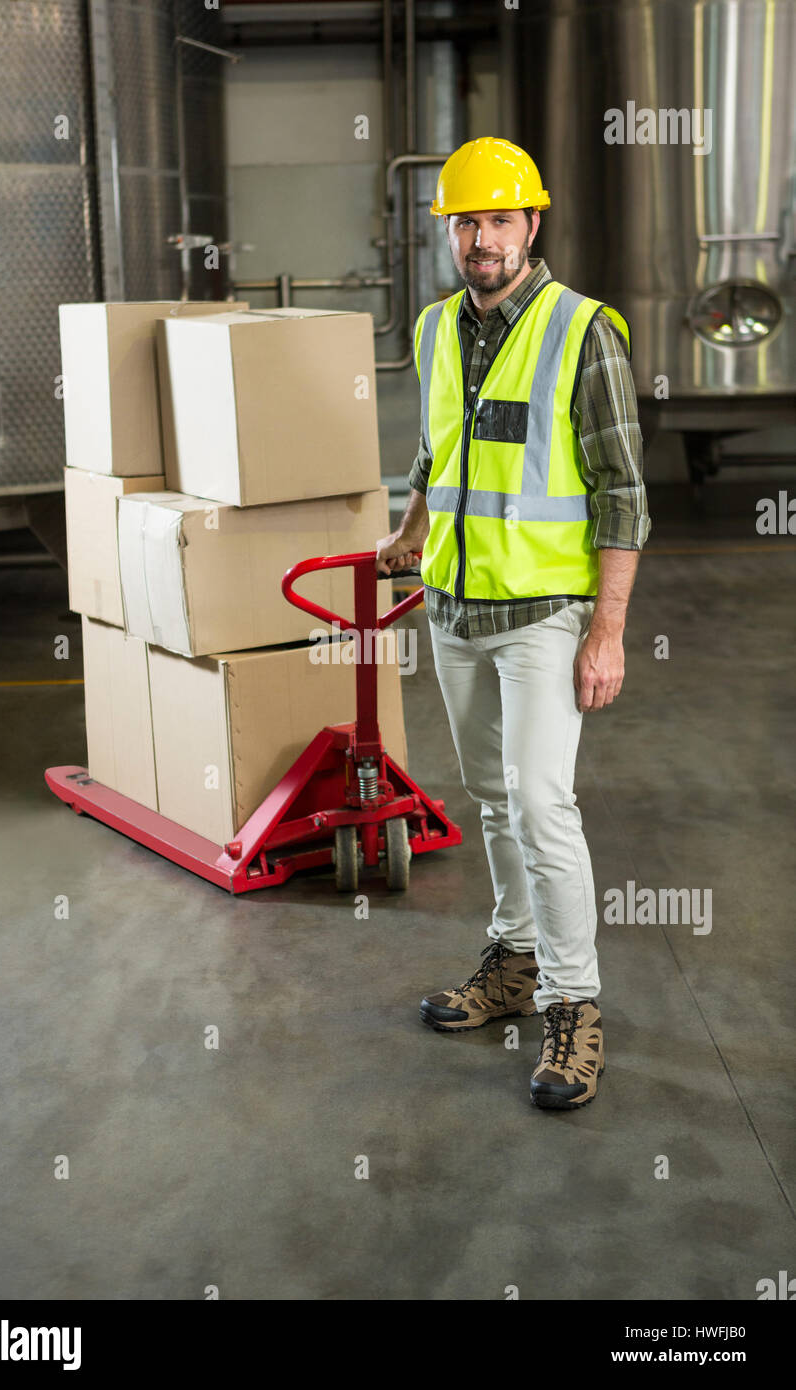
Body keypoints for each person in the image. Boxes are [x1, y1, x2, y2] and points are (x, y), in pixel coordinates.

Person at [376, 137, 650, 1110]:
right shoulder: (433, 329)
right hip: (453, 609)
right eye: (463, 221)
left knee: (540, 806)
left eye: (496, 218)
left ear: (531, 223)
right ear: (446, 231)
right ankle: (515, 962)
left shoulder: (583, 332)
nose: (479, 238)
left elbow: (621, 492)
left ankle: (575, 1007)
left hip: (542, 616)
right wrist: (407, 534)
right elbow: (431, 451)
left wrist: (606, 630)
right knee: (491, 799)